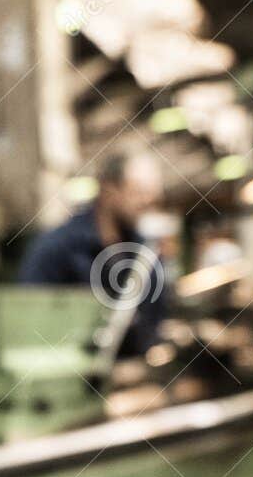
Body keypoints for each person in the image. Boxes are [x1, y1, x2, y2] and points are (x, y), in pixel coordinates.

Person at [19, 151, 167, 354]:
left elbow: (154, 324)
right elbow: (28, 323)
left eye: (152, 194)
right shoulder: (55, 248)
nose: (147, 201)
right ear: (107, 189)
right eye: (138, 192)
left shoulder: (147, 254)